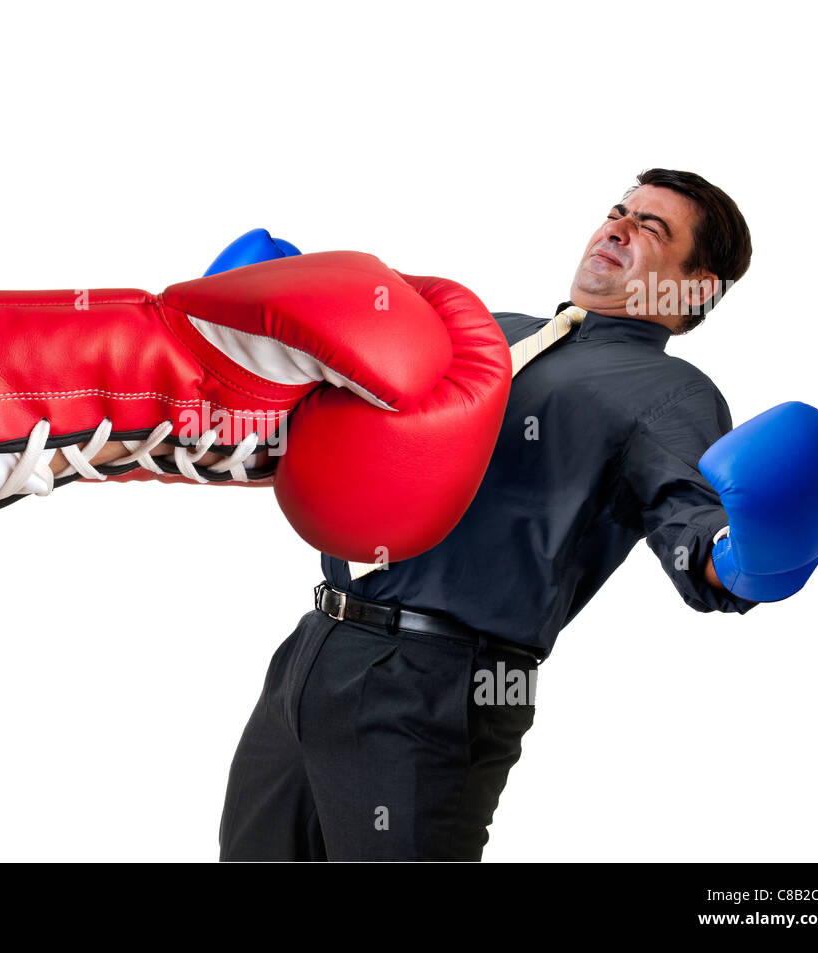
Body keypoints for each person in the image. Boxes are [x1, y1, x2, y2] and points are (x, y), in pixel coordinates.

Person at [217, 169, 768, 861]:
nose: (616, 227)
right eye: (618, 211)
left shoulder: (671, 394)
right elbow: (351, 395)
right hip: (315, 647)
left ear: (696, 286)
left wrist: (737, 555)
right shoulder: (489, 334)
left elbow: (692, 519)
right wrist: (278, 329)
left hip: (436, 681)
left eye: (650, 227)